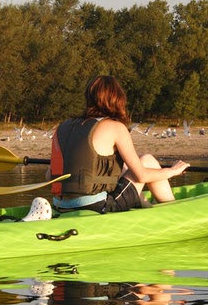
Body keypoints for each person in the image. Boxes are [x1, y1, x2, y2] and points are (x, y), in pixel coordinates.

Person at [49, 75, 189, 213]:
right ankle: (174, 213)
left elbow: (49, 175)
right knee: (147, 161)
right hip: (97, 206)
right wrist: (173, 171)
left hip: (60, 205)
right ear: (118, 99)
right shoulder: (115, 127)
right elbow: (142, 176)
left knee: (124, 168)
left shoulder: (63, 126)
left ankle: (147, 208)